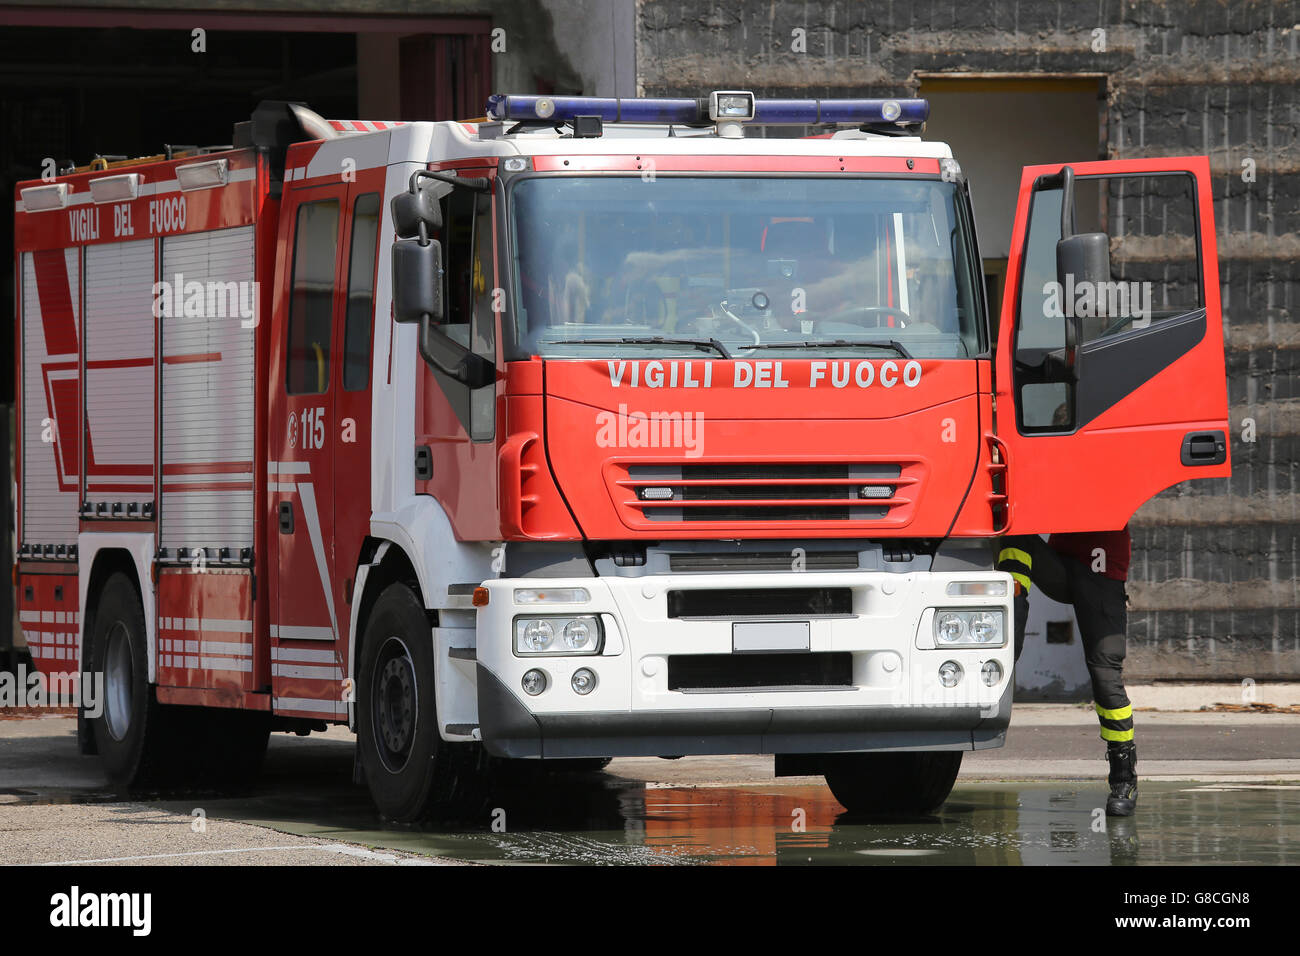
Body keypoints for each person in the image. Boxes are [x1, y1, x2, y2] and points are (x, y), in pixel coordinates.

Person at [997, 526, 1137, 816]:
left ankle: (1124, 779)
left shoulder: (1118, 485)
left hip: (1103, 579)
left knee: (1105, 678)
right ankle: (1009, 617)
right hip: (1062, 566)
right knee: (1016, 533)